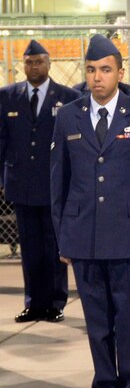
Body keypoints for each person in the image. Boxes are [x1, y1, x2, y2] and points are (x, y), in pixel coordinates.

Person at [50, 34, 130, 388]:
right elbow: (59, 184)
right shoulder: (69, 116)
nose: (97, 77)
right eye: (91, 70)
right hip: (84, 238)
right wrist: (63, 237)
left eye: (105, 70)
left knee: (129, 321)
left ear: (120, 72)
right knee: (97, 322)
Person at [1, 39, 80, 323]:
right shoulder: (8, 96)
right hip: (22, 184)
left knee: (55, 246)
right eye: (29, 62)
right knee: (30, 247)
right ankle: (34, 302)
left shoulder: (67, 96)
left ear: (49, 64)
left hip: (54, 185)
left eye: (38, 61)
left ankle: (55, 302)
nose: (33, 66)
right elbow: (2, 139)